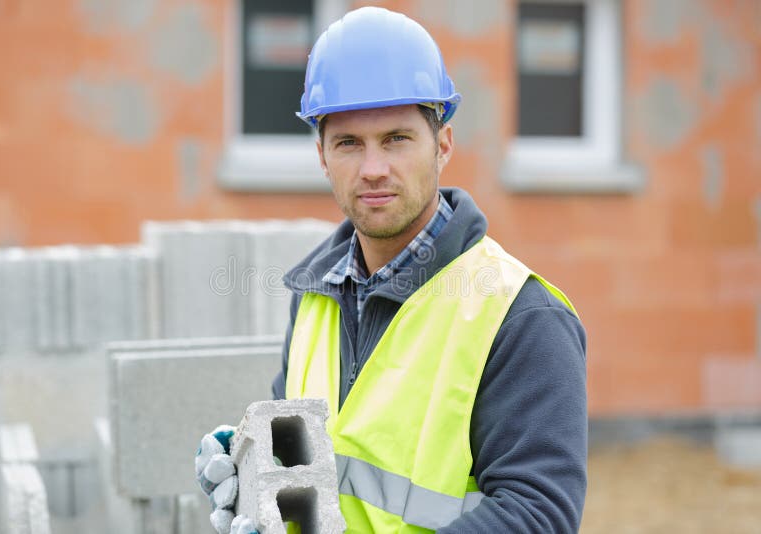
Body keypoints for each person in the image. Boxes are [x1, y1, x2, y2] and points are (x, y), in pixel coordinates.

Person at [195, 6, 587, 533]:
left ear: (442, 144)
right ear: (321, 156)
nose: (373, 168)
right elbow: (320, 476)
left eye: (397, 139)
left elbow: (537, 515)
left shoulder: (519, 314)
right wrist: (255, 471)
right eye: (349, 144)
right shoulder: (313, 299)